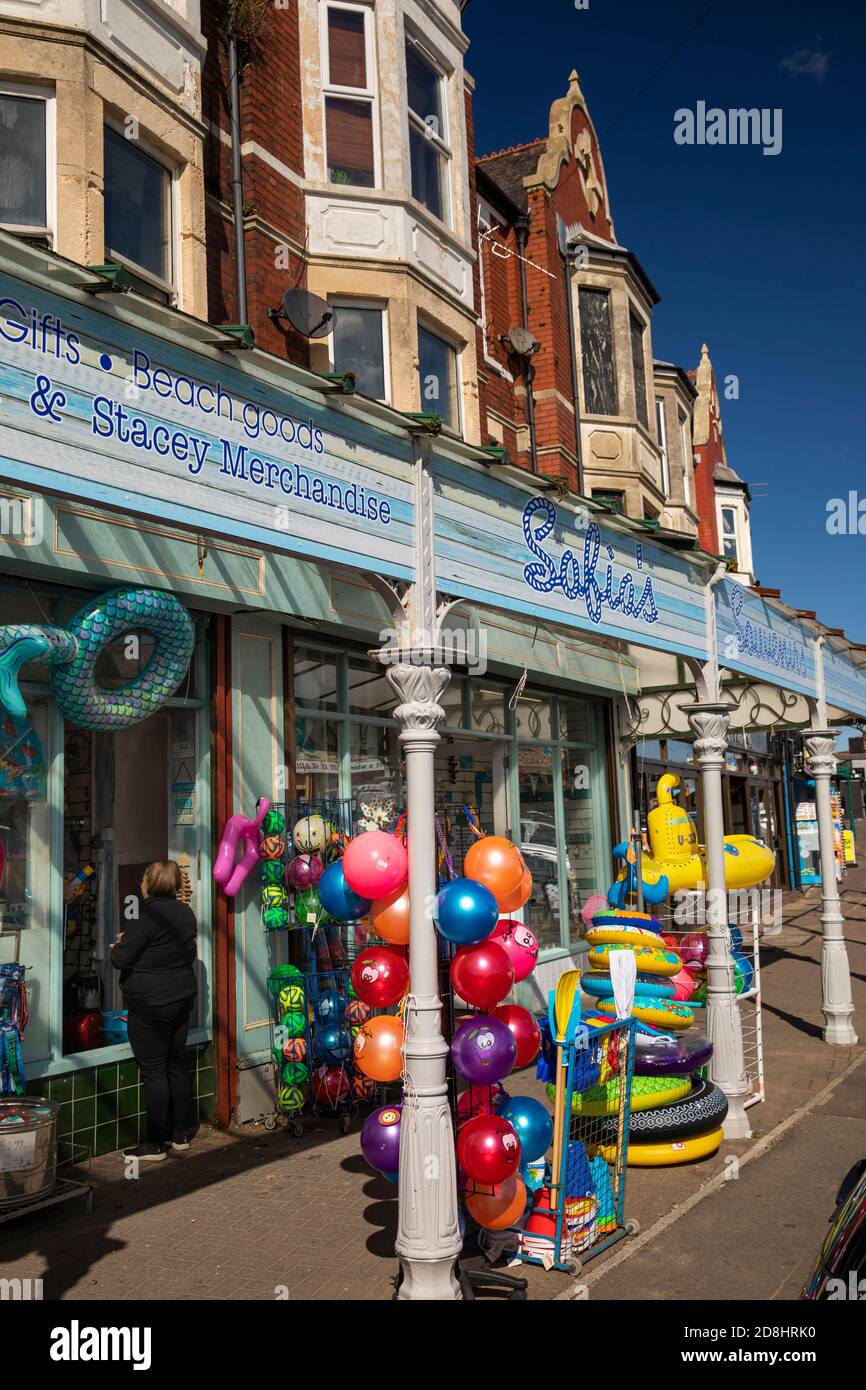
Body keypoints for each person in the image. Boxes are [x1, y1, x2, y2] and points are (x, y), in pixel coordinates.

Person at [109, 860, 197, 1162]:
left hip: (151, 1004)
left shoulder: (146, 916)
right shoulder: (185, 913)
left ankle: (155, 1143)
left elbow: (121, 959)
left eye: (144, 879)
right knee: (175, 1064)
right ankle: (180, 1134)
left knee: (155, 1072)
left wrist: (117, 946)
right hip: (182, 997)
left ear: (151, 883)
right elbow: (174, 949)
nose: (141, 884)